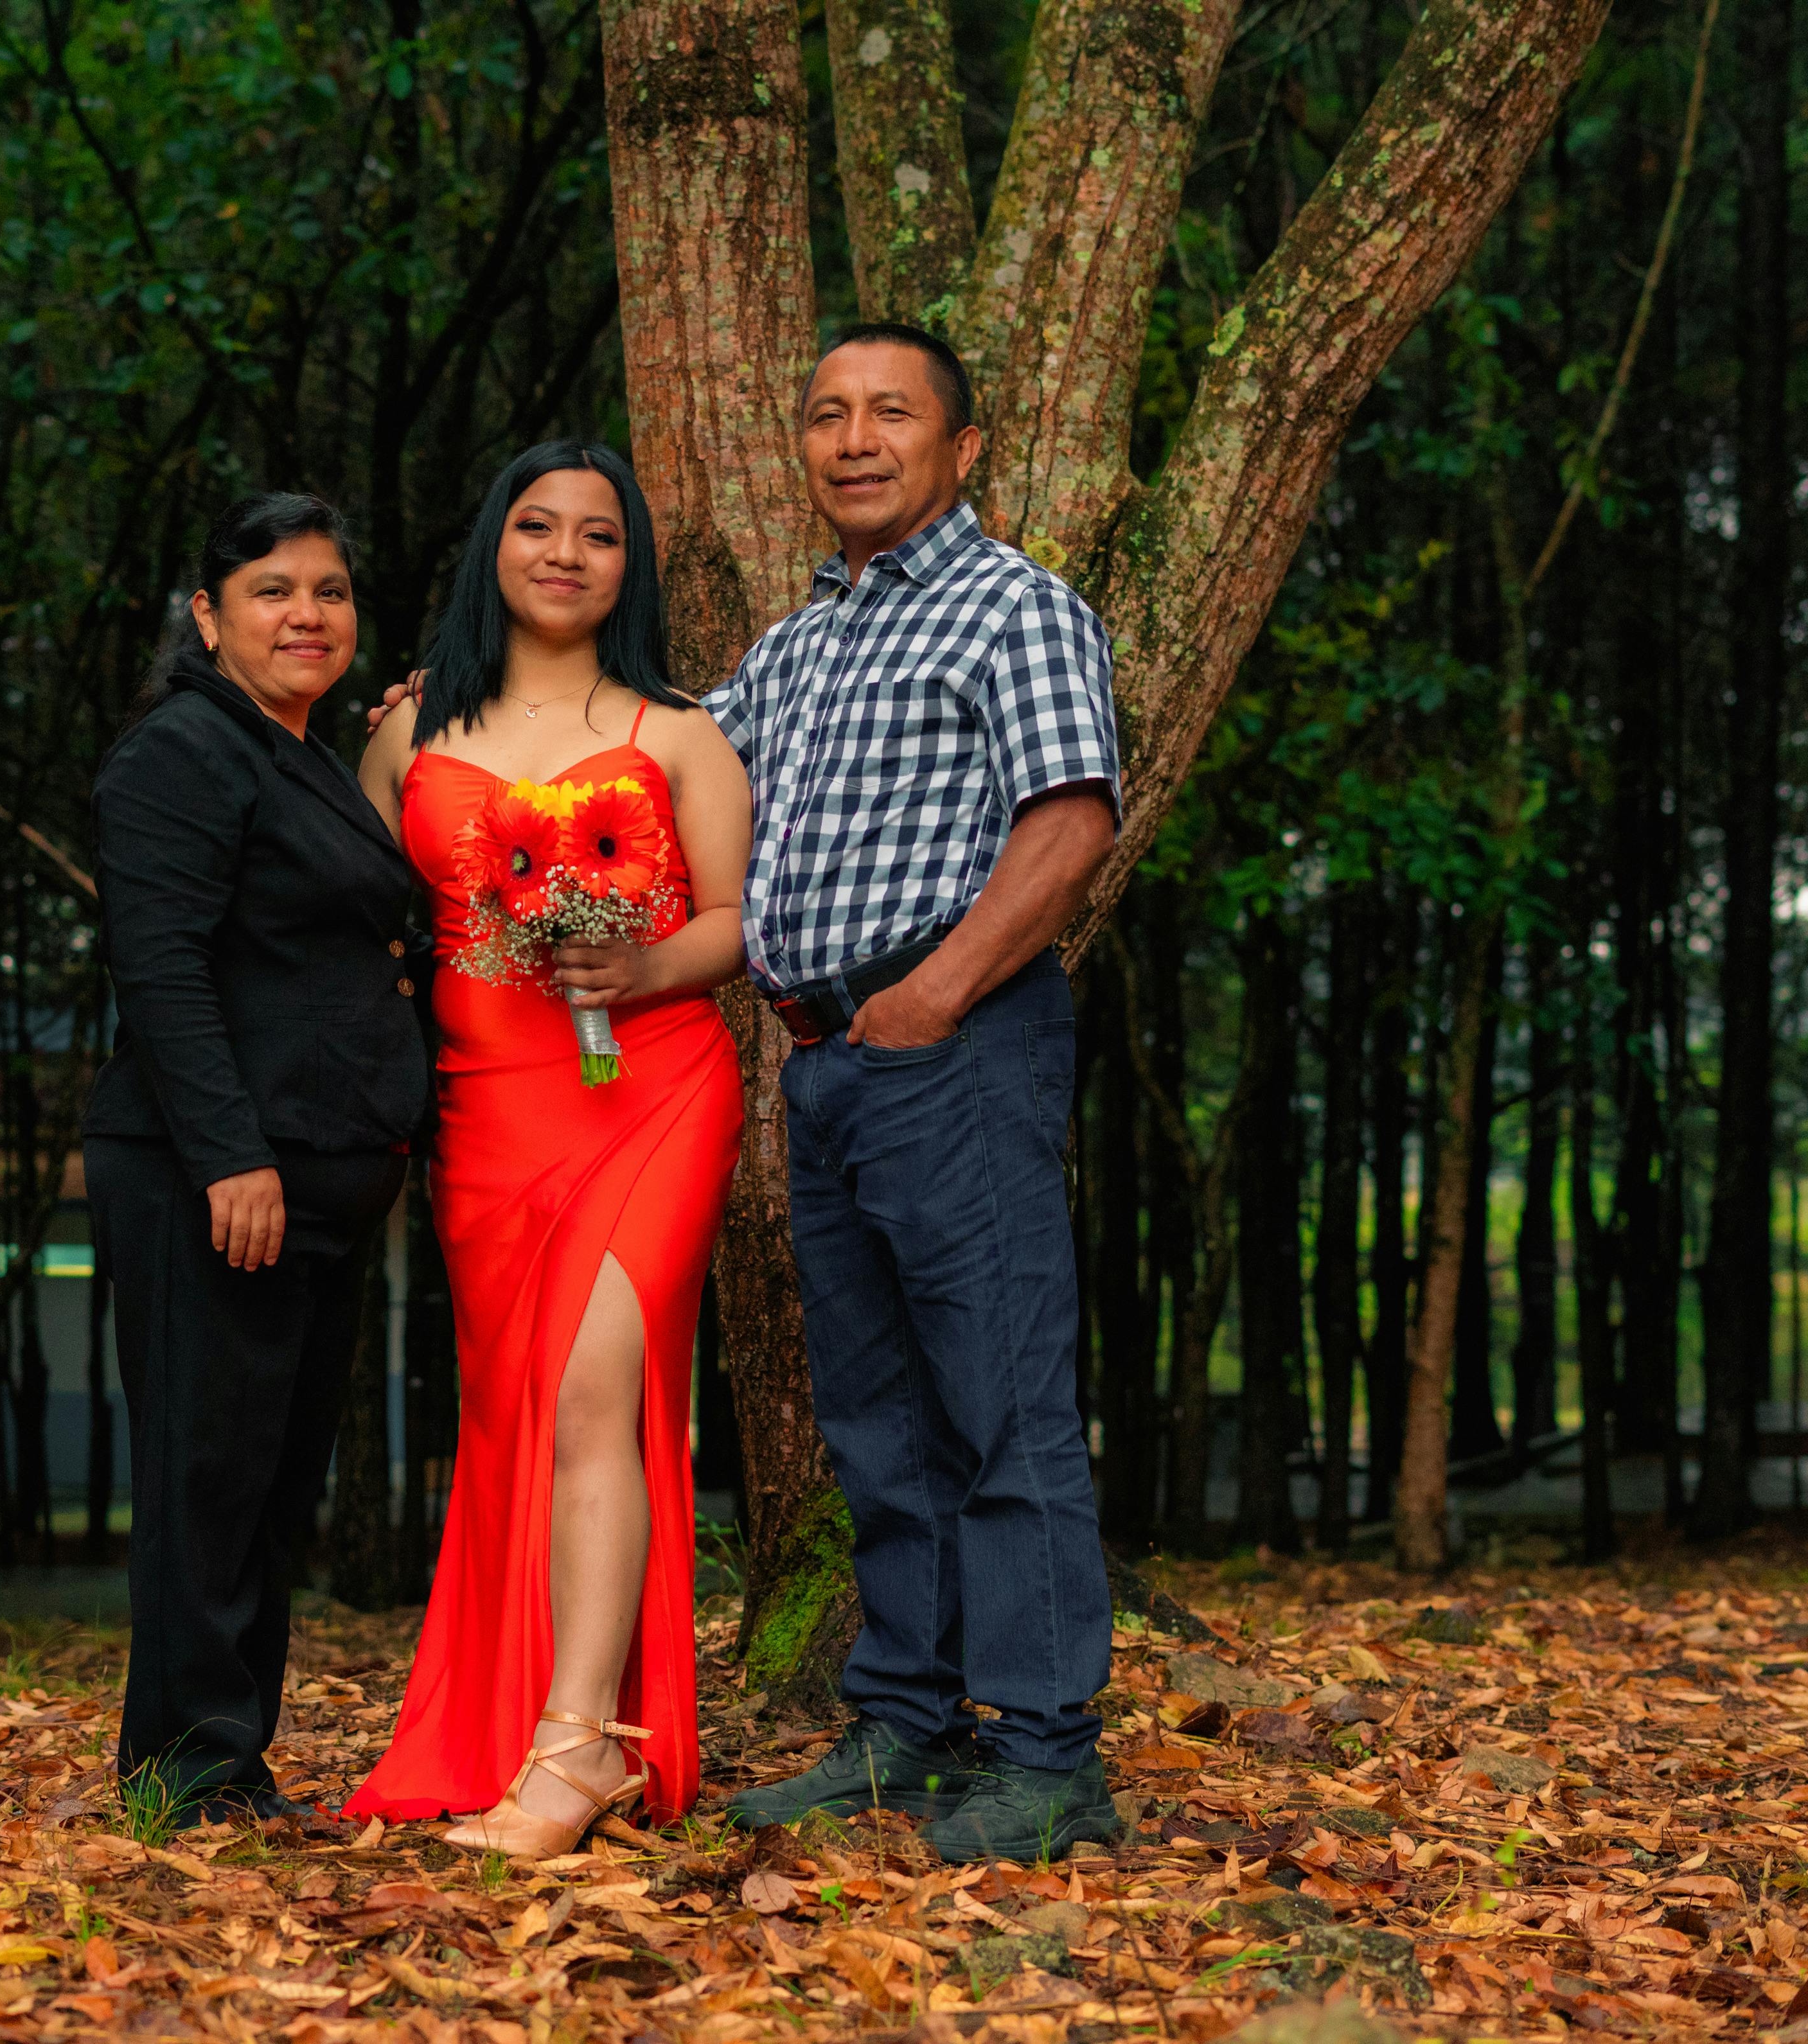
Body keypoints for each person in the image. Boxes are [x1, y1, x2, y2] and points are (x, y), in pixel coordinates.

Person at [708, 322, 1124, 1863]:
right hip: (824, 1065)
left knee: (1001, 1402)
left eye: (891, 411)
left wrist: (934, 996)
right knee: (878, 1419)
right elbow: (668, 772)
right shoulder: (798, 645)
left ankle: (1049, 1755)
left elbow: (1070, 820)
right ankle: (904, 1722)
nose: (854, 437)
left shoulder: (1013, 606)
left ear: (964, 448)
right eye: (828, 412)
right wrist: (484, 702)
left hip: (956, 1047)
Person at [340, 442, 749, 1855]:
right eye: (537, 525)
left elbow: (736, 924)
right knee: (516, 1409)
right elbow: (355, 916)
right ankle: (511, 1717)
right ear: (494, 547)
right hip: (486, 1111)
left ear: (632, 567)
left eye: (599, 533)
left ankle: (579, 1752)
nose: (566, 552)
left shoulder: (678, 733)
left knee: (592, 1394)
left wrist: (640, 965)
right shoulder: (408, 731)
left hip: (650, 1094)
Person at [86, 492, 433, 1826]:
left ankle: (227, 1757)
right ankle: (184, 1771)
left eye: (329, 591)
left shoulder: (300, 757)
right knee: (208, 1477)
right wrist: (230, 1156)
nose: (307, 614)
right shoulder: (183, 750)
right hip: (219, 1182)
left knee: (268, 1485)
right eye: (273, 591)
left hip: (320, 1181)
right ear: (208, 615)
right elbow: (160, 966)